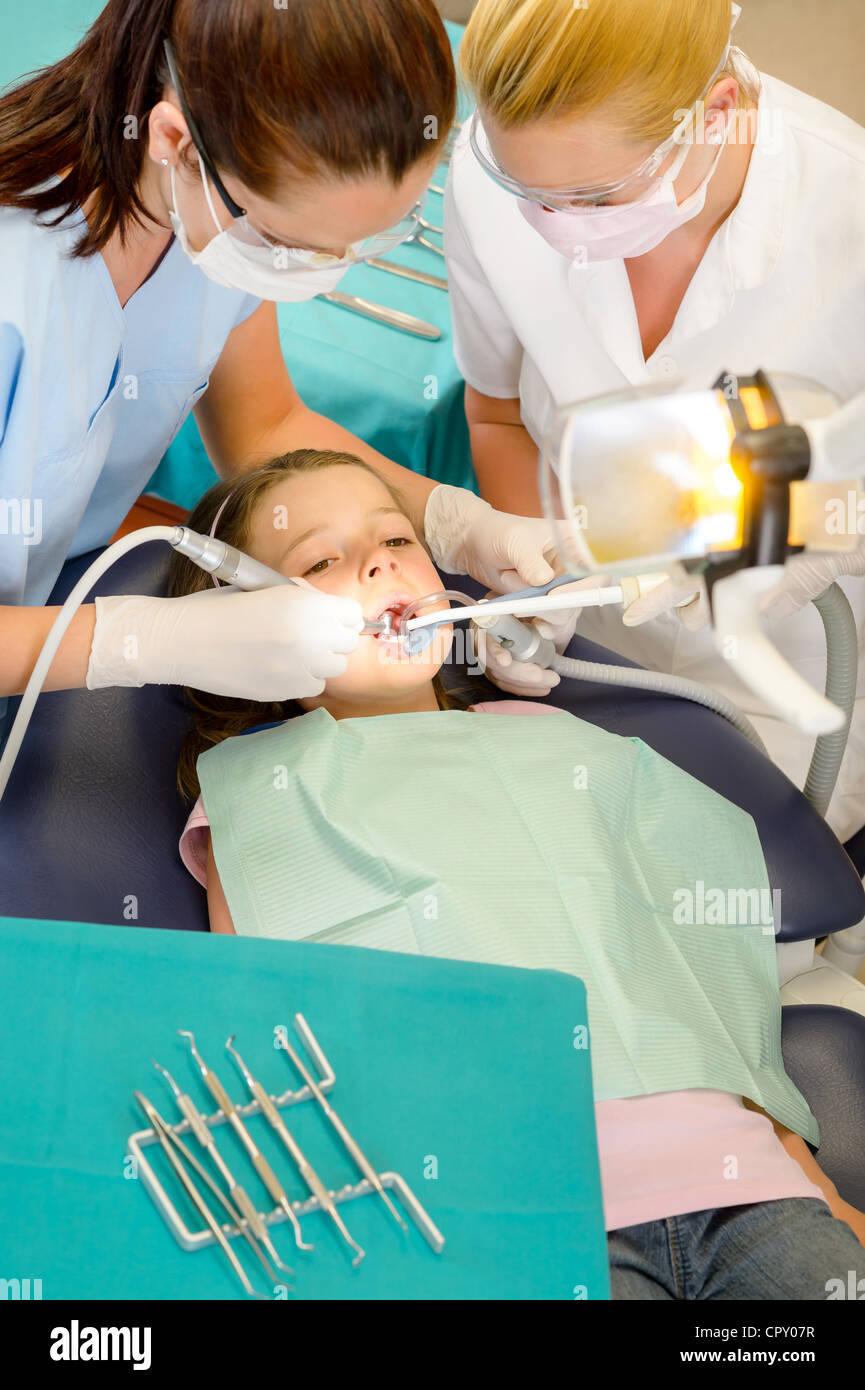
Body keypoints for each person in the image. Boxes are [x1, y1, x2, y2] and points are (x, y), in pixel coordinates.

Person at [169, 448, 865, 1299]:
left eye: (394, 538)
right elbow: (260, 1038)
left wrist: (810, 1182)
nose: (379, 561)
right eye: (319, 560)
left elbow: (698, 990)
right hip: (518, 1221)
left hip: (746, 1192)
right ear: (237, 631)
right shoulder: (262, 793)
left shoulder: (557, 742)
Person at [0, 0, 558, 747]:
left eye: (359, 244)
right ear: (173, 141)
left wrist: (458, 527)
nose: (320, 275)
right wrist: (148, 641)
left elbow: (264, 426)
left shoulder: (196, 214)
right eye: (295, 244)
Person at [445, 0, 865, 841]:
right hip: (580, 649)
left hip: (796, 680)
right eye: (528, 194)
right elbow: (495, 410)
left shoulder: (846, 218)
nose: (557, 231)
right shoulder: (485, 171)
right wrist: (531, 577)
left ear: (713, 114)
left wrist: (822, 539)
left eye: (598, 195)